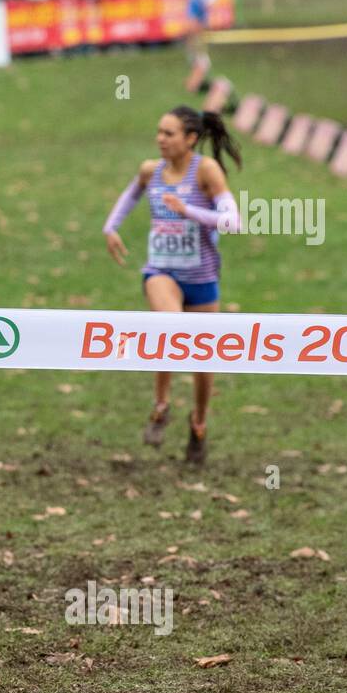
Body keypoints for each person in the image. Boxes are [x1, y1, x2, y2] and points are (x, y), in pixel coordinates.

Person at [103, 105, 243, 465]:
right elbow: (132, 193)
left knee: (202, 357)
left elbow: (233, 223)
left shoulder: (206, 171)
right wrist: (111, 226)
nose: (160, 140)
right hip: (161, 271)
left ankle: (198, 423)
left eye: (169, 134)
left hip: (202, 278)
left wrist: (189, 211)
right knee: (170, 327)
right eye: (159, 132)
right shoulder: (152, 170)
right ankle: (161, 405)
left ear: (190, 139)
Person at [179, 0, 222, 93]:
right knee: (191, 40)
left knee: (198, 39)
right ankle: (197, 69)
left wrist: (207, 0)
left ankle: (200, 71)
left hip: (200, 9)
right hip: (190, 7)